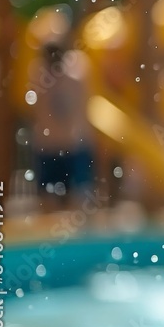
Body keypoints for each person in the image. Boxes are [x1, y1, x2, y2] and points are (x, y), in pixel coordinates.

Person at [29, 41, 96, 212]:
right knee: (49, 198)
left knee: (77, 196)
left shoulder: (72, 77)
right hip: (52, 146)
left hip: (69, 145)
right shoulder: (40, 77)